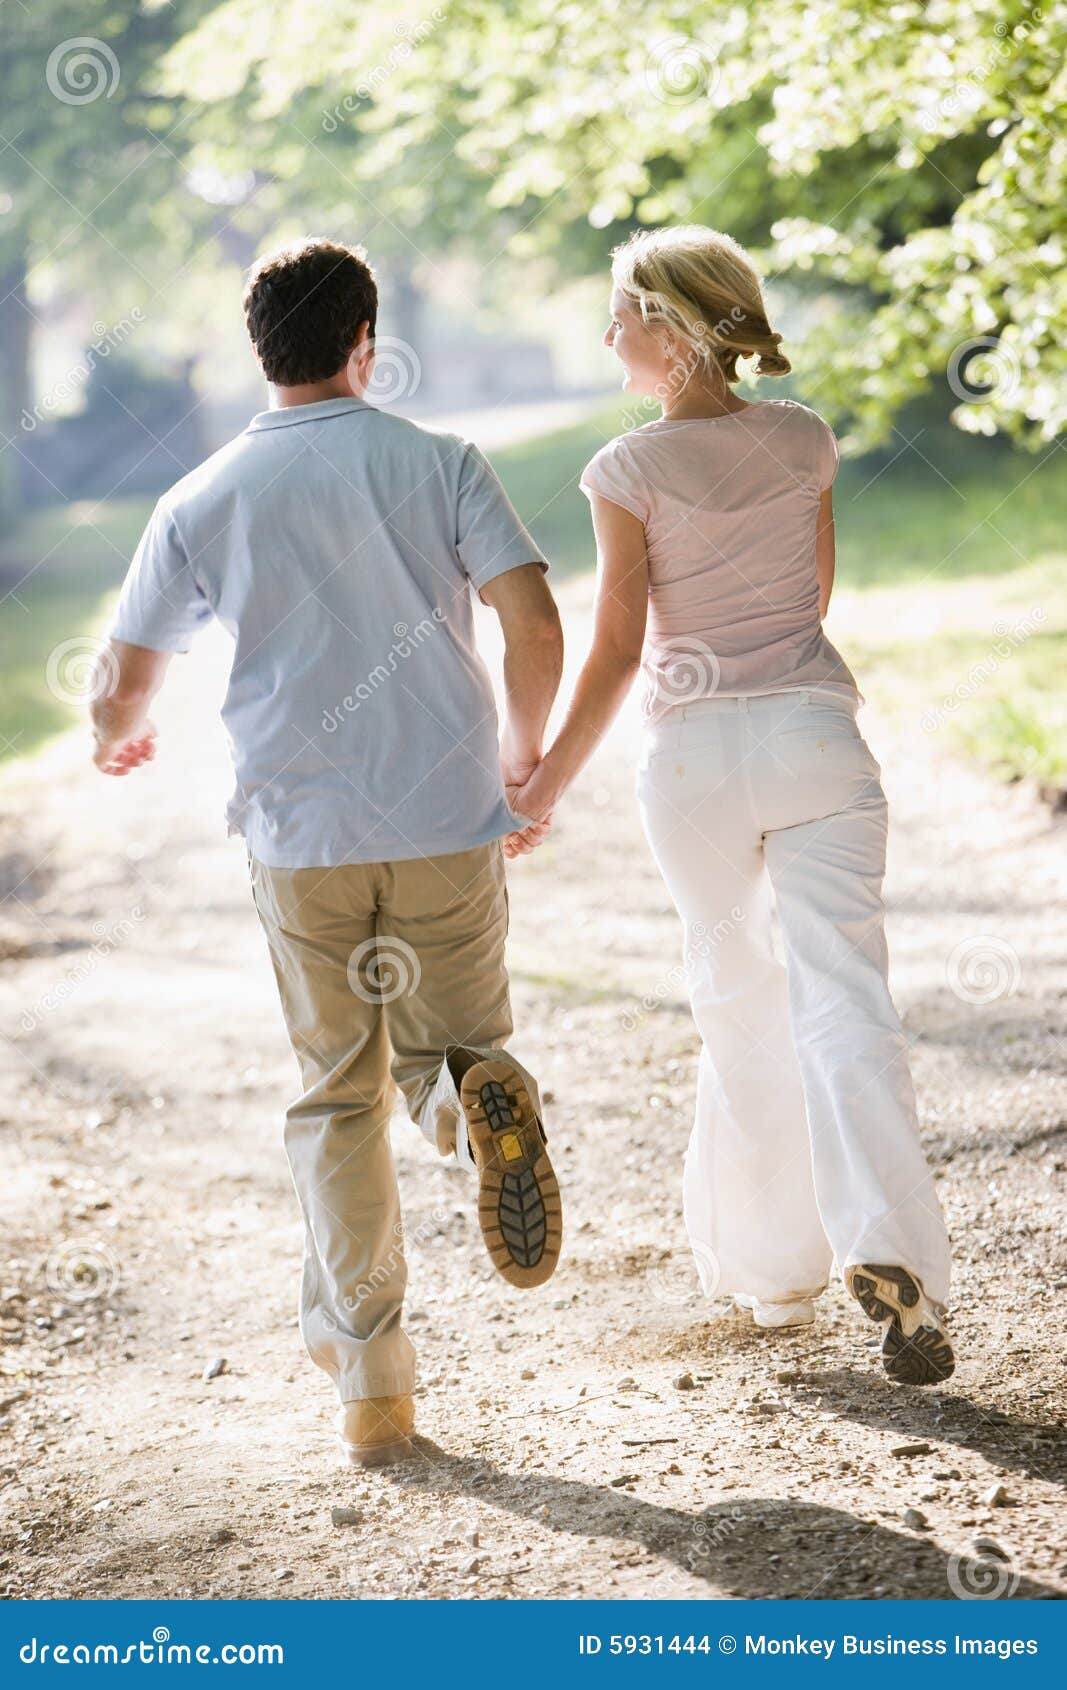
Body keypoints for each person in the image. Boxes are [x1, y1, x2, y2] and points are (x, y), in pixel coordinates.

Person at [89, 238, 565, 1465]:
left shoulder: (199, 496)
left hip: (300, 839)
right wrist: (521, 757)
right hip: (446, 820)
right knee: (452, 1043)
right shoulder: (439, 461)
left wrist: (118, 737)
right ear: (367, 343)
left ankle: (372, 1382)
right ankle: (472, 1109)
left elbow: (124, 677)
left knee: (336, 1094)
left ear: (260, 352)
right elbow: (530, 613)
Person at [507, 225, 954, 1386]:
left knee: (738, 1002)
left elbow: (615, 651)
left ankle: (774, 1275)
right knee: (846, 1002)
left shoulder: (626, 470)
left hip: (696, 761)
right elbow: (810, 596)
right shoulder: (803, 440)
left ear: (668, 325)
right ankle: (892, 1259)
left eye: (618, 309)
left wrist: (542, 784)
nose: (607, 332)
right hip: (815, 740)